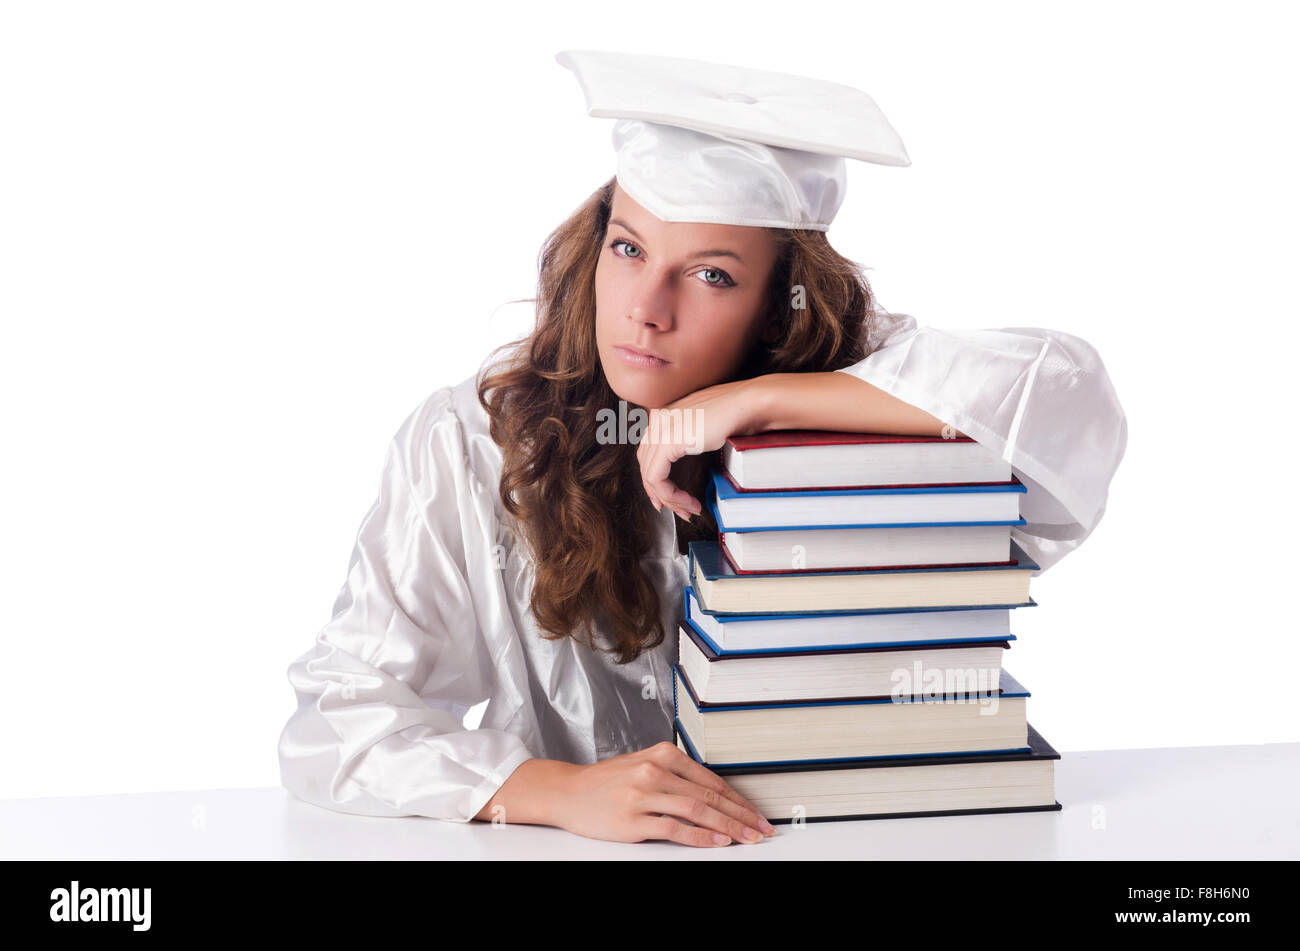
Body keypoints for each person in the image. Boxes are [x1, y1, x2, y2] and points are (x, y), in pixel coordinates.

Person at [276, 50, 1127, 848]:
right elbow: (339, 717)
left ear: (778, 306)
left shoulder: (851, 397)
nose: (647, 306)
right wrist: (553, 791)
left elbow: (1067, 391)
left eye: (712, 273)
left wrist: (762, 400)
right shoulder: (473, 442)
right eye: (629, 247)